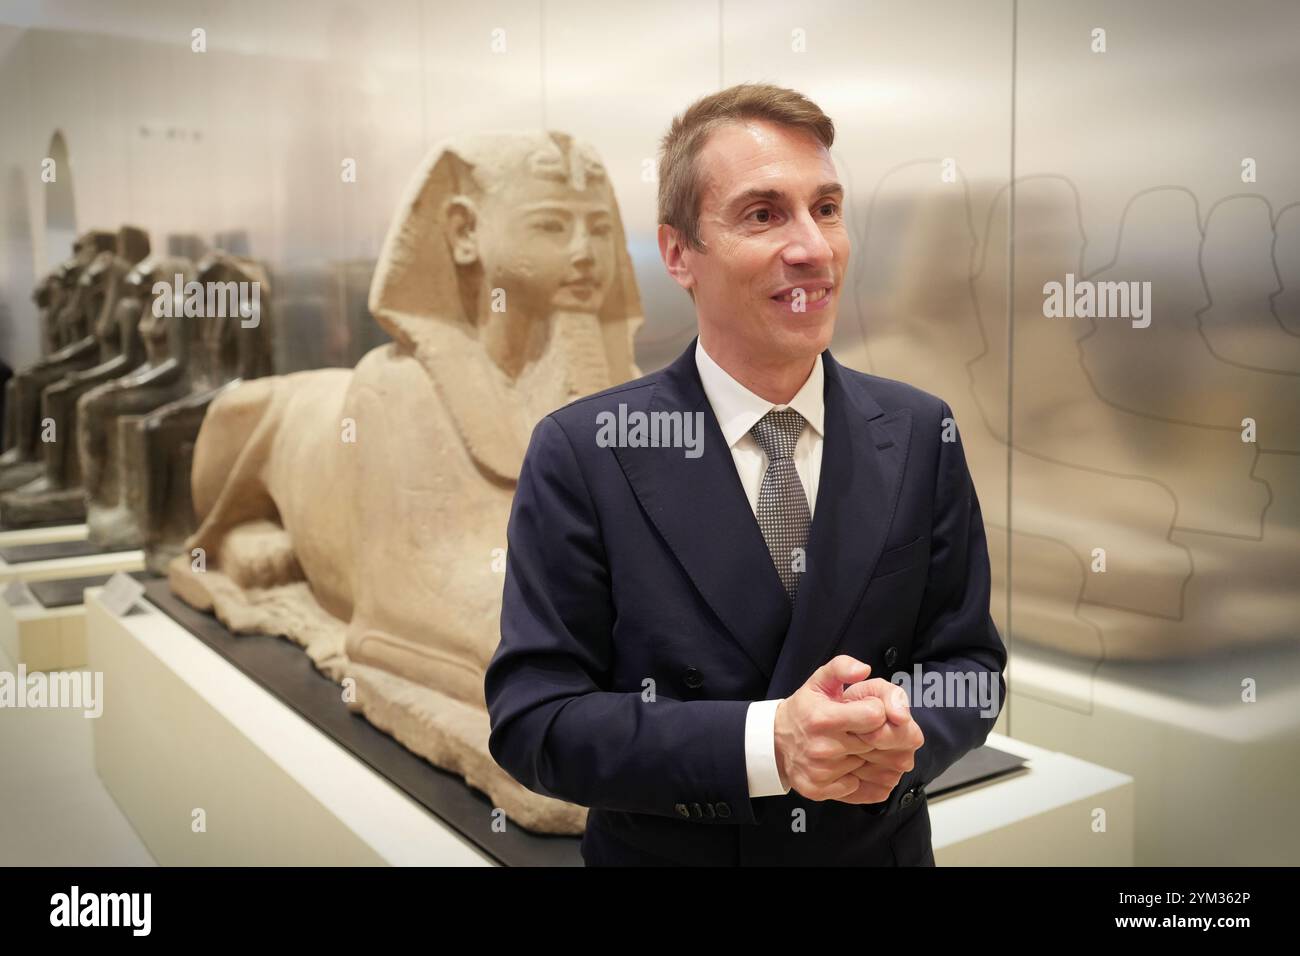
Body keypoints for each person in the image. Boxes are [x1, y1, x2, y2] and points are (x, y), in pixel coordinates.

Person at [486, 83, 1007, 865]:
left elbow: (970, 664)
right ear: (677, 254)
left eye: (826, 209)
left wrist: (900, 733)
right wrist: (769, 744)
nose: (813, 247)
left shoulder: (918, 430)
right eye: (764, 214)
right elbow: (537, 721)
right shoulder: (585, 452)